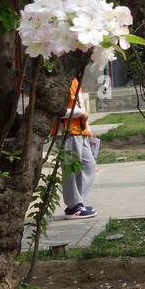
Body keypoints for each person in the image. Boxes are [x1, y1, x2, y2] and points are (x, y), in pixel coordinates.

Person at [55, 76, 98, 220]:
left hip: (80, 131)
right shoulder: (59, 80)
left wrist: (87, 127)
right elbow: (57, 109)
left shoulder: (74, 79)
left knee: (89, 165)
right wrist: (80, 113)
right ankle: (74, 206)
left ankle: (77, 202)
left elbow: (81, 105)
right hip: (67, 132)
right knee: (71, 169)